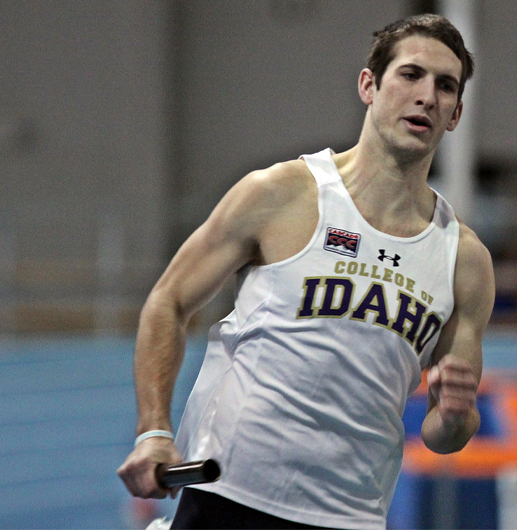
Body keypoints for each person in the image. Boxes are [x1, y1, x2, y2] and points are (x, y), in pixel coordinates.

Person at [117, 14, 495, 530]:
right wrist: (153, 431)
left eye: (445, 86)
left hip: (350, 515)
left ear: (455, 115)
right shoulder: (280, 194)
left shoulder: (463, 259)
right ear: (369, 85)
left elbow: (442, 436)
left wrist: (456, 415)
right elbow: (169, 301)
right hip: (231, 495)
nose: (427, 96)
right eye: (411, 75)